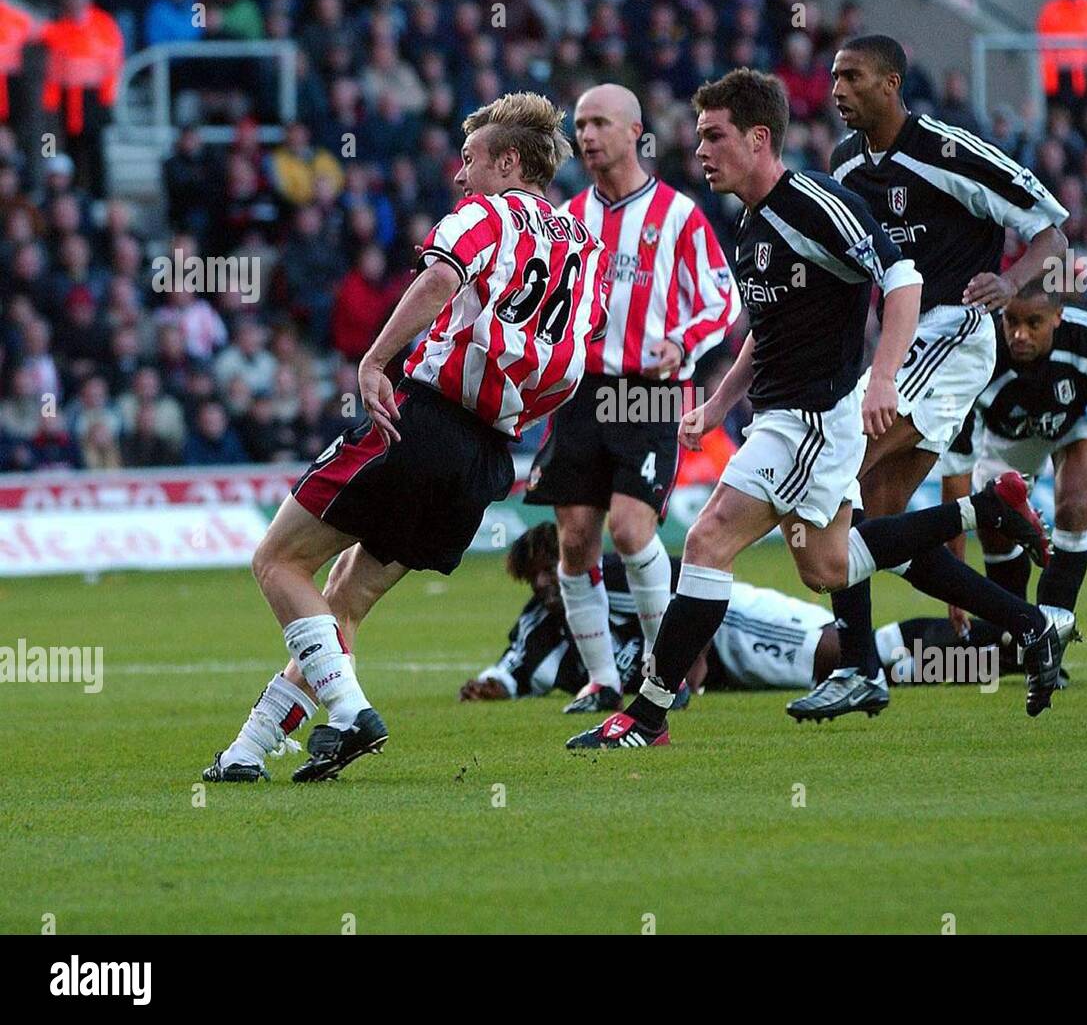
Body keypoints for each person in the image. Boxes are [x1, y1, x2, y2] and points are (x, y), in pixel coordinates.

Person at [567, 70, 1074, 751]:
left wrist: (885, 379)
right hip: (787, 417)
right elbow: (766, 332)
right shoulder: (750, 221)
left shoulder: (814, 201)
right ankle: (986, 529)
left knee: (708, 540)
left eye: (714, 136)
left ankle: (649, 714)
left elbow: (902, 278)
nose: (701, 152)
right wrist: (718, 404)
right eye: (698, 138)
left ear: (758, 137)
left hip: (810, 422)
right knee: (828, 567)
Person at [200, 93, 608, 784]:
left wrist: (374, 359)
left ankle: (353, 710)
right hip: (485, 459)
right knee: (342, 600)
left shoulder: (488, 213)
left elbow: (441, 276)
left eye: (471, 158)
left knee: (276, 561)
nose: (460, 175)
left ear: (508, 161)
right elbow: (576, 359)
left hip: (422, 424)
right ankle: (248, 749)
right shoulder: (587, 249)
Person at [788, 34, 1069, 723]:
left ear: (891, 83)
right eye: (833, 77)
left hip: (955, 334)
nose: (837, 89)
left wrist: (1008, 281)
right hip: (901, 346)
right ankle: (1031, 621)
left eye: (852, 77)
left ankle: (858, 667)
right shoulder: (845, 161)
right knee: (876, 527)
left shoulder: (948, 150)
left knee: (837, 465)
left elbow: (1052, 230)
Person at [524, 84, 738, 714]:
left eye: (597, 124)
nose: (585, 136)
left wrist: (683, 344)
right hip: (582, 393)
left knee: (630, 526)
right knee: (574, 538)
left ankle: (660, 674)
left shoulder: (679, 215)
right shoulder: (567, 219)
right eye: (579, 125)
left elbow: (722, 300)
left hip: (650, 393)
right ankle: (600, 680)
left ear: (633, 131)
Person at [938, 283, 1087, 619]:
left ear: (1058, 317)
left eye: (1033, 323)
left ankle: (1051, 640)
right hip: (1009, 434)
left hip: (1079, 417)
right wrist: (954, 583)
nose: (1020, 334)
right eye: (1011, 321)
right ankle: (1015, 635)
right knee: (993, 520)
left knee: (1073, 505)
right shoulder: (976, 357)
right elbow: (956, 475)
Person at [458, 524, 842, 702]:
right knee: (820, 673)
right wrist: (490, 686)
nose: (542, 584)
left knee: (832, 653)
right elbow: (513, 664)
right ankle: (890, 662)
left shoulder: (612, 575)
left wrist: (695, 657)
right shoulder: (540, 619)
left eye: (548, 569)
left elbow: (696, 580)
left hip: (726, 621)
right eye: (532, 578)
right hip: (723, 672)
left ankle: (888, 658)